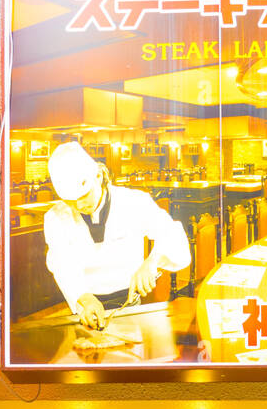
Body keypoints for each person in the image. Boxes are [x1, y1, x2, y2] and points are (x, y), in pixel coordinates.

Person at [43, 141, 191, 331]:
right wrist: (84, 298)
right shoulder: (55, 218)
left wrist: (152, 261)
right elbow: (62, 264)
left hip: (129, 304)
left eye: (84, 196)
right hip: (86, 306)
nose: (79, 206)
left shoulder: (133, 201)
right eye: (70, 201)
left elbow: (172, 233)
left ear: (98, 175)